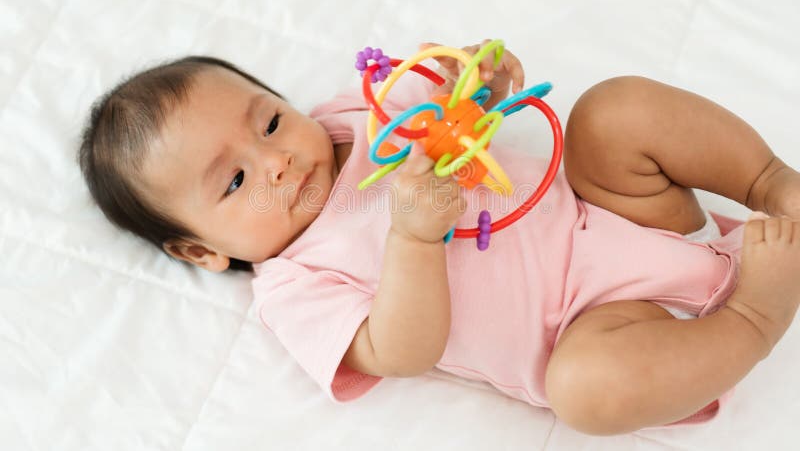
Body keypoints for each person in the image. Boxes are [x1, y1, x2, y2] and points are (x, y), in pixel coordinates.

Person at [77, 41, 800, 435]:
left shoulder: (353, 116)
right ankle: (754, 316)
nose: (278, 161)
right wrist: (415, 240)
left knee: (611, 111)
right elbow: (401, 349)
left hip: (615, 207)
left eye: (268, 122)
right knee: (582, 392)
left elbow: (457, 110)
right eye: (234, 182)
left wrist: (480, 84)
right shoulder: (293, 285)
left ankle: (772, 182)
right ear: (203, 250)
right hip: (605, 326)